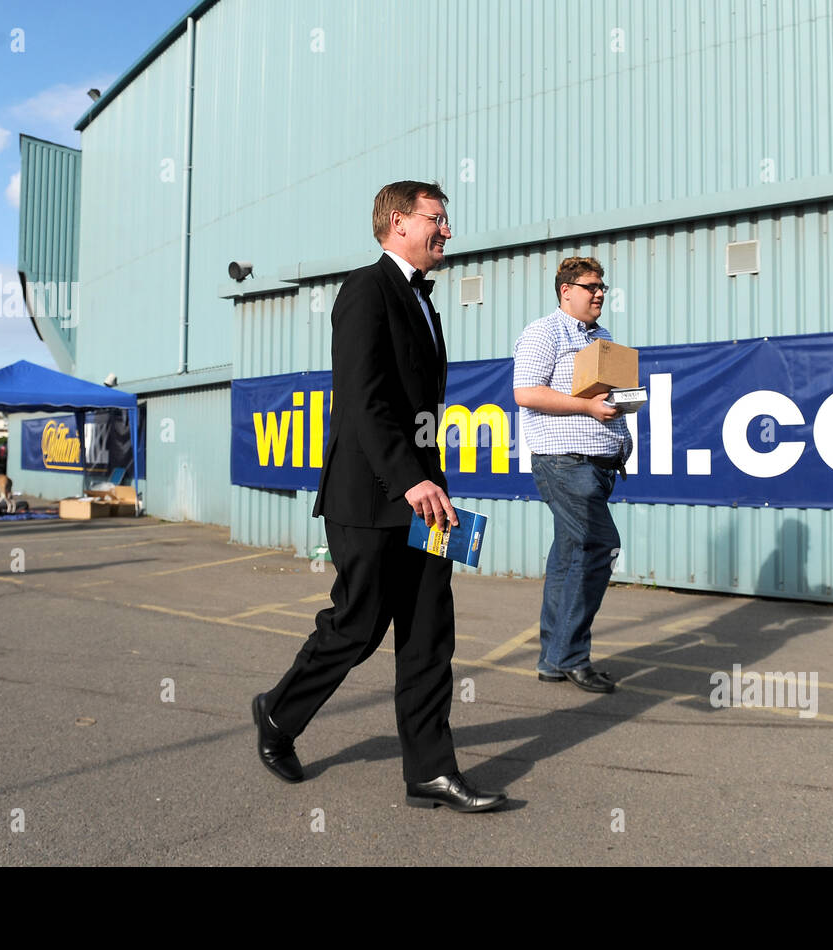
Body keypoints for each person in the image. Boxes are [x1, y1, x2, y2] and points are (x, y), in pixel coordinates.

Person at [253, 180, 505, 813]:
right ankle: (278, 715)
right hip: (370, 495)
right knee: (358, 625)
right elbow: (364, 401)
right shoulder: (365, 290)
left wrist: (434, 483)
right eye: (436, 219)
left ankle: (429, 770)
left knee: (428, 632)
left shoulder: (426, 303)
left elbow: (417, 410)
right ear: (398, 221)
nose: (447, 230)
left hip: (424, 495)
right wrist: (410, 478)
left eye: (446, 220)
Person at [513, 256, 634, 693]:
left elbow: (603, 395)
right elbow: (525, 391)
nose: (600, 292)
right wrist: (586, 406)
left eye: (602, 286)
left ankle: (551, 659)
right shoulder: (543, 332)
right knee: (601, 546)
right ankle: (572, 656)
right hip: (564, 462)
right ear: (566, 291)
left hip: (600, 465)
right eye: (590, 286)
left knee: (569, 558)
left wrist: (623, 404)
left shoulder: (602, 337)